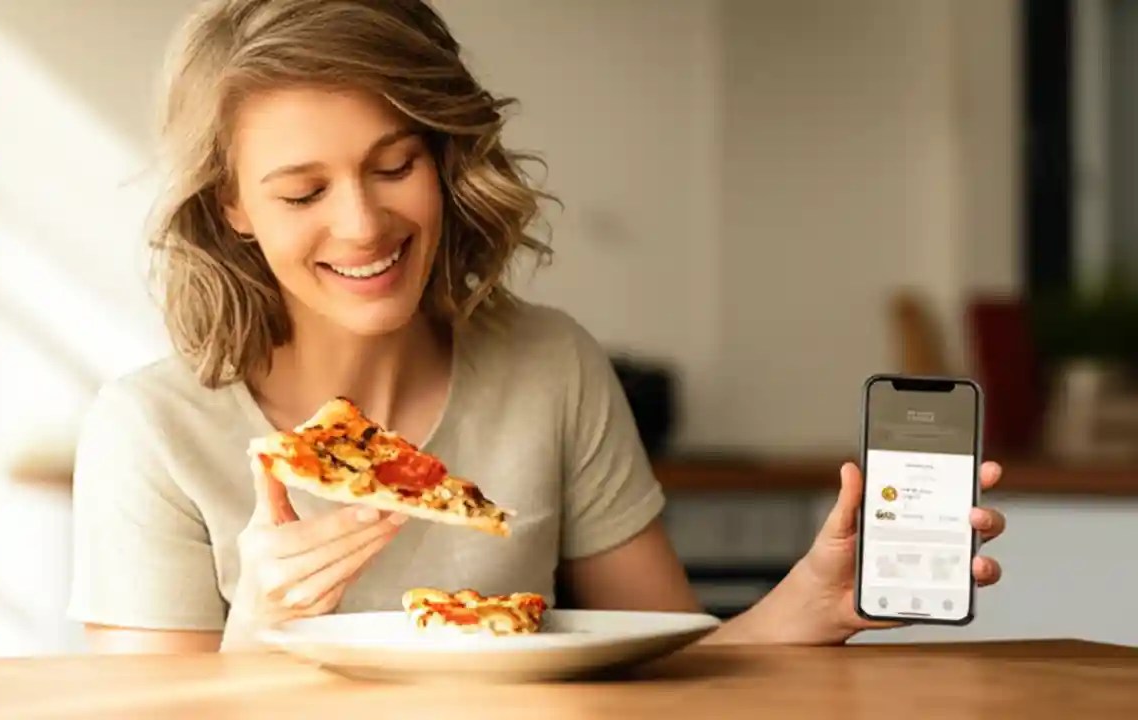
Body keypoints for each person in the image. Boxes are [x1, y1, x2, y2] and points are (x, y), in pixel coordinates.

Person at [68, 0, 1007, 653]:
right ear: (231, 206)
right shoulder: (152, 429)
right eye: (303, 191)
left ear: (446, 155)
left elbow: (670, 668)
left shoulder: (551, 364)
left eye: (395, 166)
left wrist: (803, 607)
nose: (361, 224)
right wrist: (258, 627)